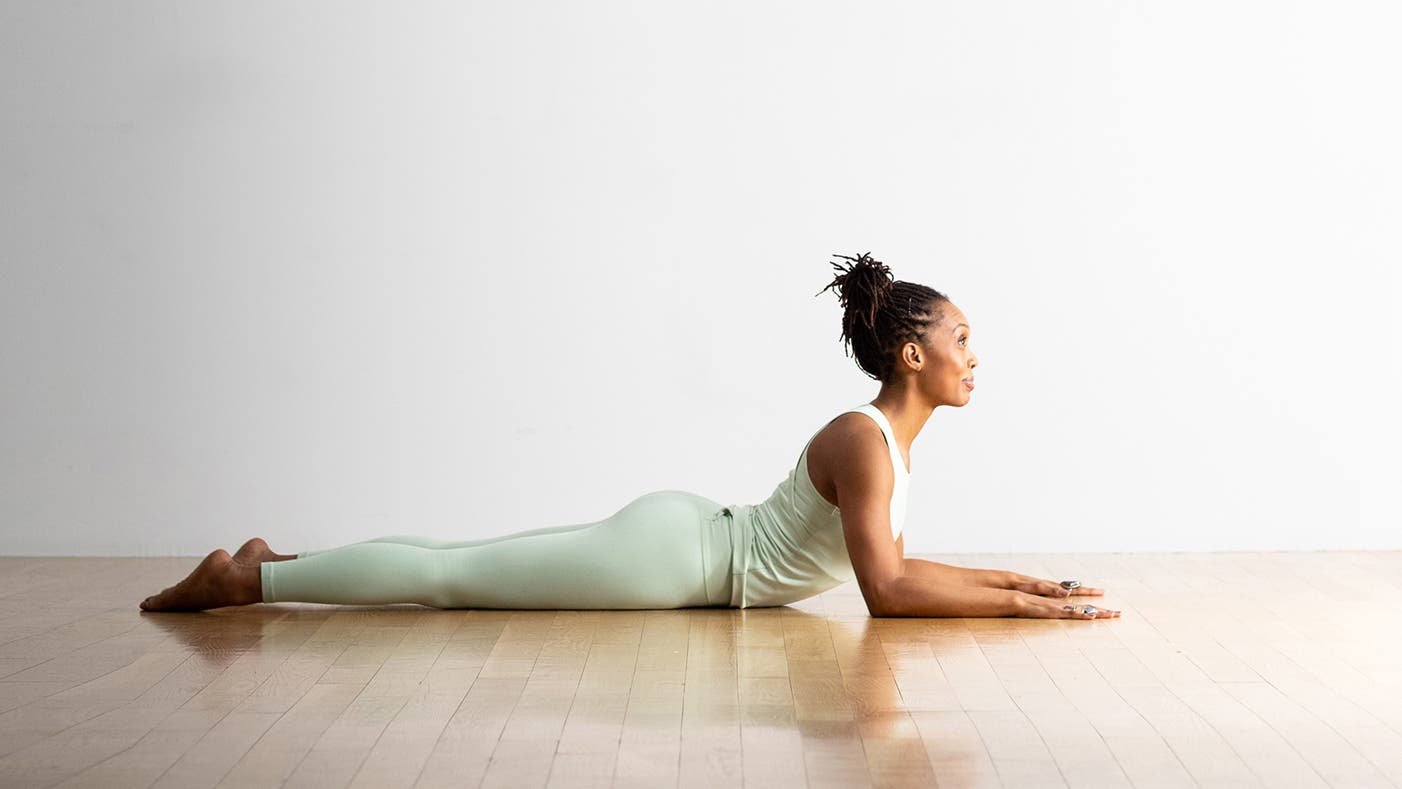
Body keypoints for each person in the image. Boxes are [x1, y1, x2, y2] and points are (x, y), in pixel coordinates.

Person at [140, 252, 1119, 620]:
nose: (972, 355)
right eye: (959, 337)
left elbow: (897, 564)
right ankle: (245, 580)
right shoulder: (862, 440)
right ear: (910, 355)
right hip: (675, 561)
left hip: (684, 544)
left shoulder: (887, 446)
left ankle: (276, 563)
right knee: (450, 580)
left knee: (454, 565)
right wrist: (1018, 606)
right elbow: (888, 592)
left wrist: (1017, 582)